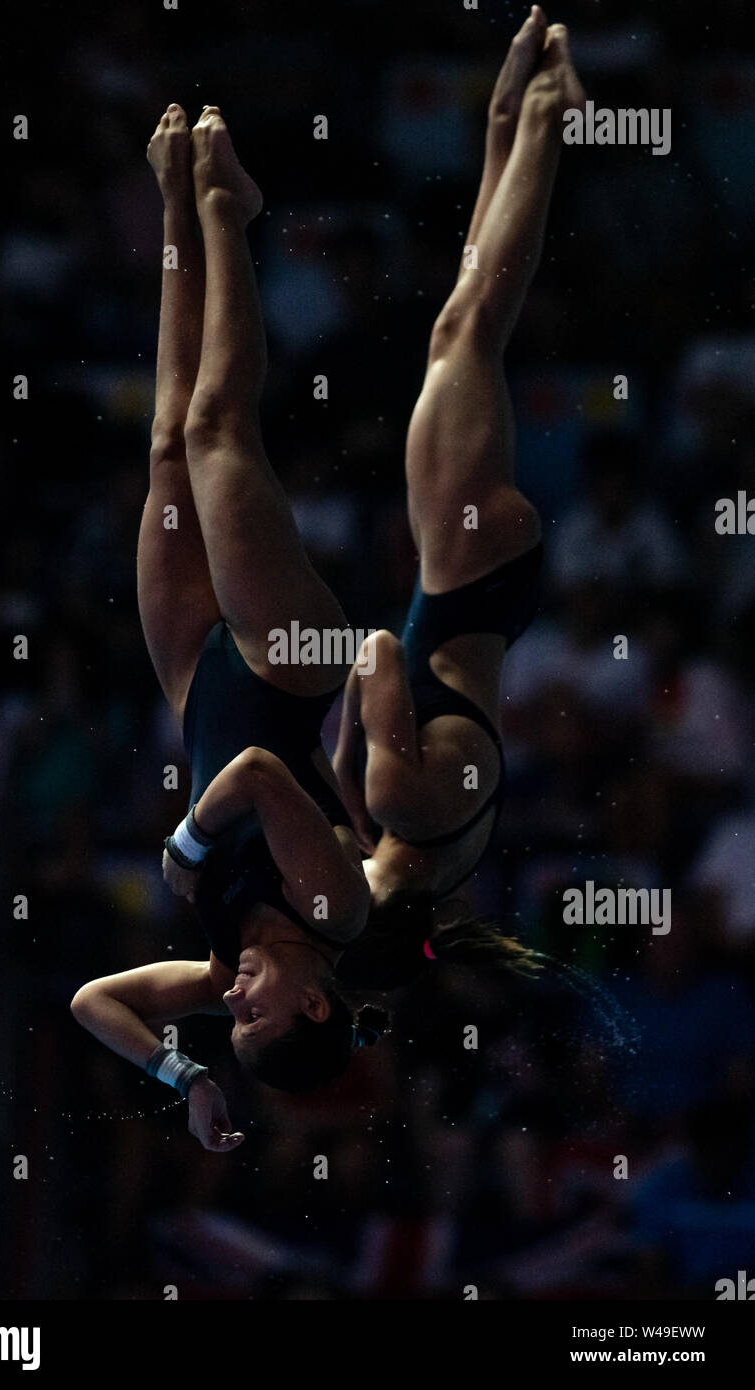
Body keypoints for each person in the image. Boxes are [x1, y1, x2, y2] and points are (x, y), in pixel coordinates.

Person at [73, 103, 377, 1151]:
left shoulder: (215, 962)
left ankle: (172, 197)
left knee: (164, 443)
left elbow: (91, 1002)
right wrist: (186, 847)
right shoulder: (336, 912)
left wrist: (179, 1070)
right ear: (315, 1003)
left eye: (226, 1022)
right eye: (251, 1015)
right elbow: (254, 770)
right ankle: (226, 213)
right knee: (215, 430)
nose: (230, 1001)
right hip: (284, 664)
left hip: (192, 675)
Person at [333, 10, 586, 990]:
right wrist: (351, 766)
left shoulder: (458, 856)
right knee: (470, 332)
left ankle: (506, 113)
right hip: (458, 568)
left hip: (495, 593)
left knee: (457, 328)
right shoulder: (397, 804)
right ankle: (548, 119)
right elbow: (376, 651)